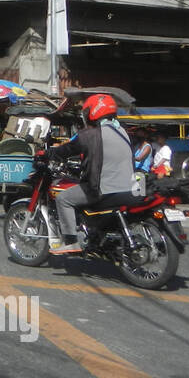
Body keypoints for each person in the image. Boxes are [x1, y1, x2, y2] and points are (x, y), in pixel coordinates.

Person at [46, 92, 136, 256]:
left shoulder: (90, 135)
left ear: (92, 112)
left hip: (102, 189)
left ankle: (71, 242)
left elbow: (66, 150)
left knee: (63, 198)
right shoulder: (123, 133)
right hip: (129, 187)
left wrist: (48, 154)